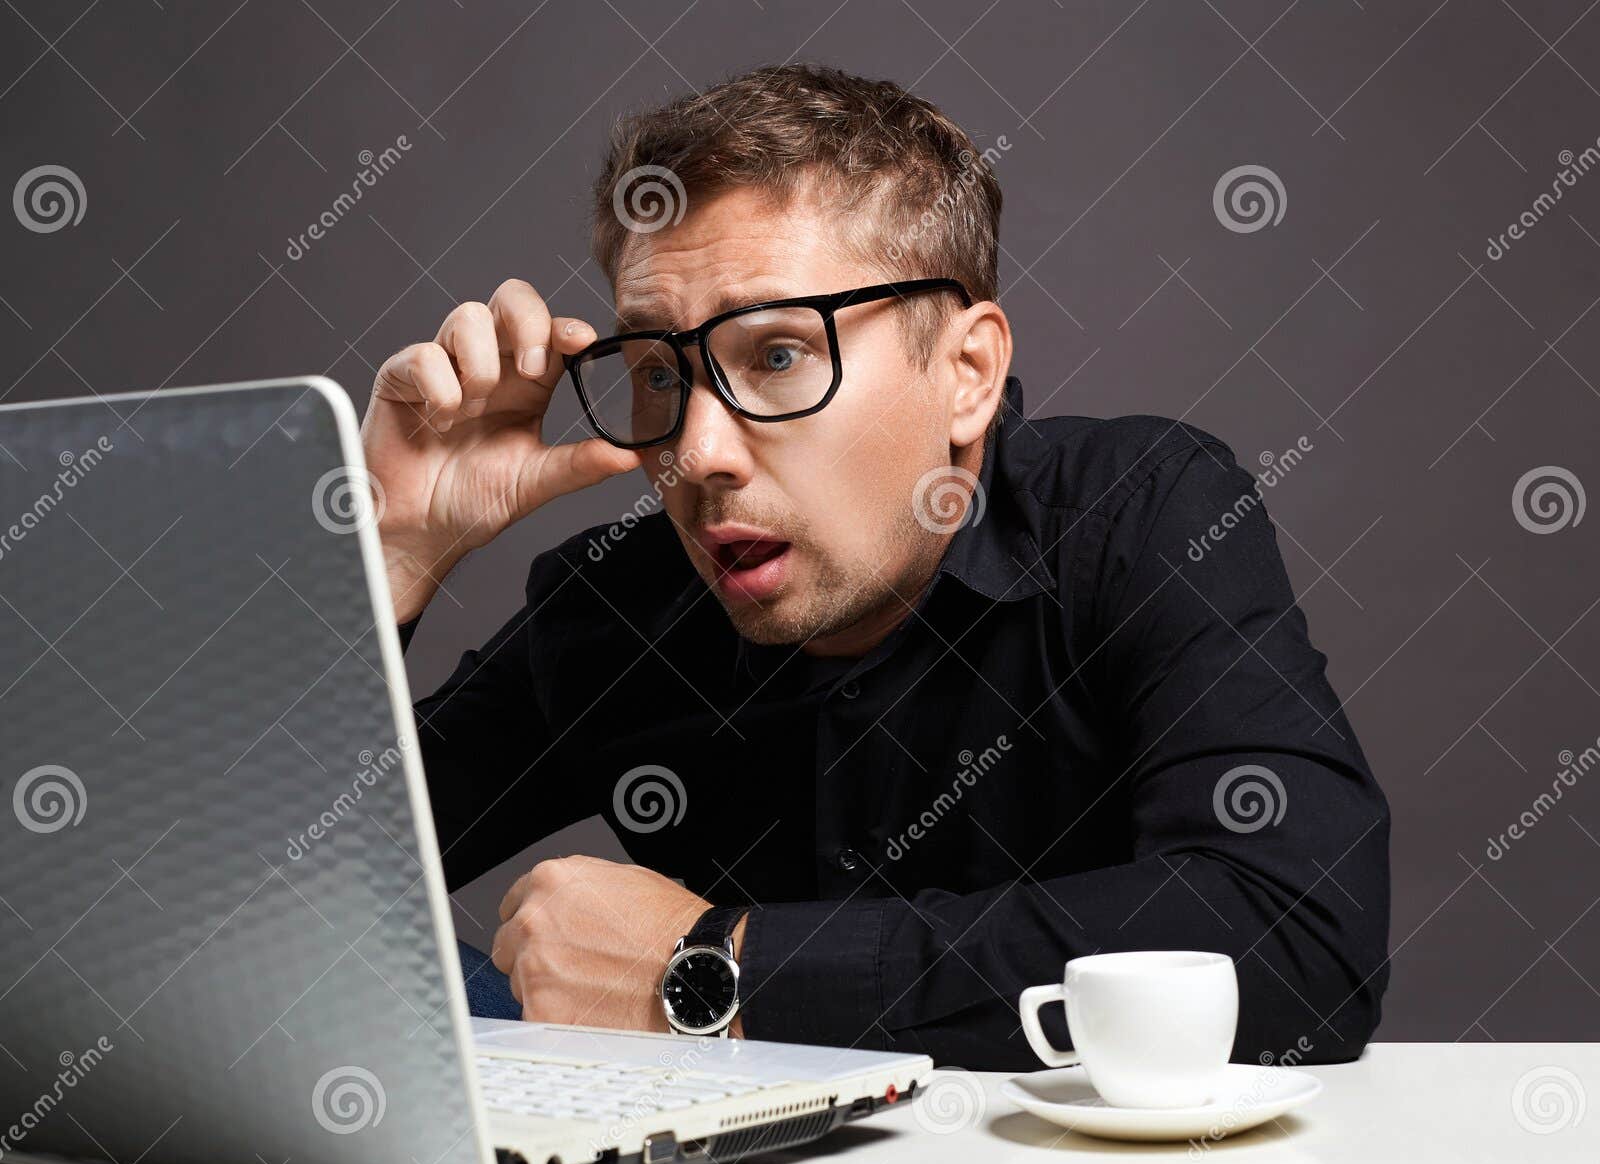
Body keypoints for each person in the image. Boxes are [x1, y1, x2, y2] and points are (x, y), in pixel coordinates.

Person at [359, 63, 1390, 1069]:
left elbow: (1295, 936)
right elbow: (264, 916)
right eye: (659, 373)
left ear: (965, 374)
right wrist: (389, 556)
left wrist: (713, 968)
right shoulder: (614, 611)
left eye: (776, 356)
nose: (699, 454)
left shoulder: (1140, 515)